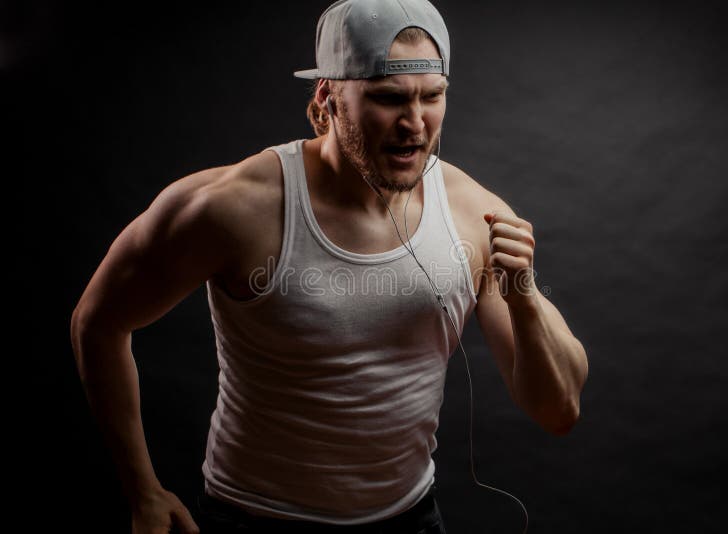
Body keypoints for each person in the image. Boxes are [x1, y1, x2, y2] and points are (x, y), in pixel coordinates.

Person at [70, 0, 589, 532]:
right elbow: (98, 321)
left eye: (432, 97)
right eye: (389, 99)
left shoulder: (472, 213)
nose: (414, 124)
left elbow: (558, 410)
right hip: (253, 519)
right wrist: (142, 491)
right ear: (328, 97)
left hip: (409, 519)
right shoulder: (234, 208)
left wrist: (522, 294)